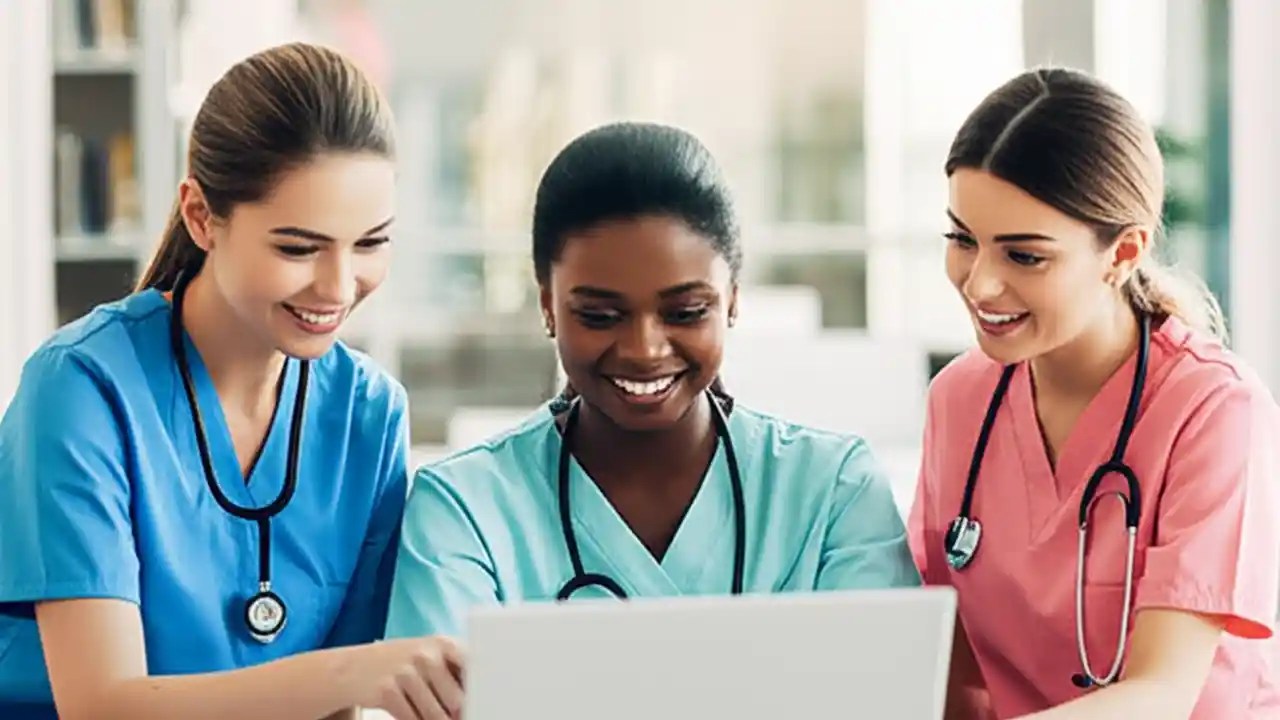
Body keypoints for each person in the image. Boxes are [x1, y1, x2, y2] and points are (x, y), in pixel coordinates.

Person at [0, 43, 462, 720]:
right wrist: (356, 672)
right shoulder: (80, 388)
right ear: (200, 217)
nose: (339, 286)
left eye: (370, 243)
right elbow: (102, 707)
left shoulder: (370, 413)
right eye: (298, 247)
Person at [383, 121, 920, 640]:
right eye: (599, 316)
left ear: (732, 298)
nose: (644, 350)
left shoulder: (833, 492)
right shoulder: (462, 509)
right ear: (548, 304)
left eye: (686, 312)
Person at [908, 67, 1280, 719]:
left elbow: (1162, 693)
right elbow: (951, 670)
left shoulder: (1216, 410)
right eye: (963, 240)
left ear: (1124, 251)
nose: (980, 284)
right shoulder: (959, 400)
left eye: (1024, 257)